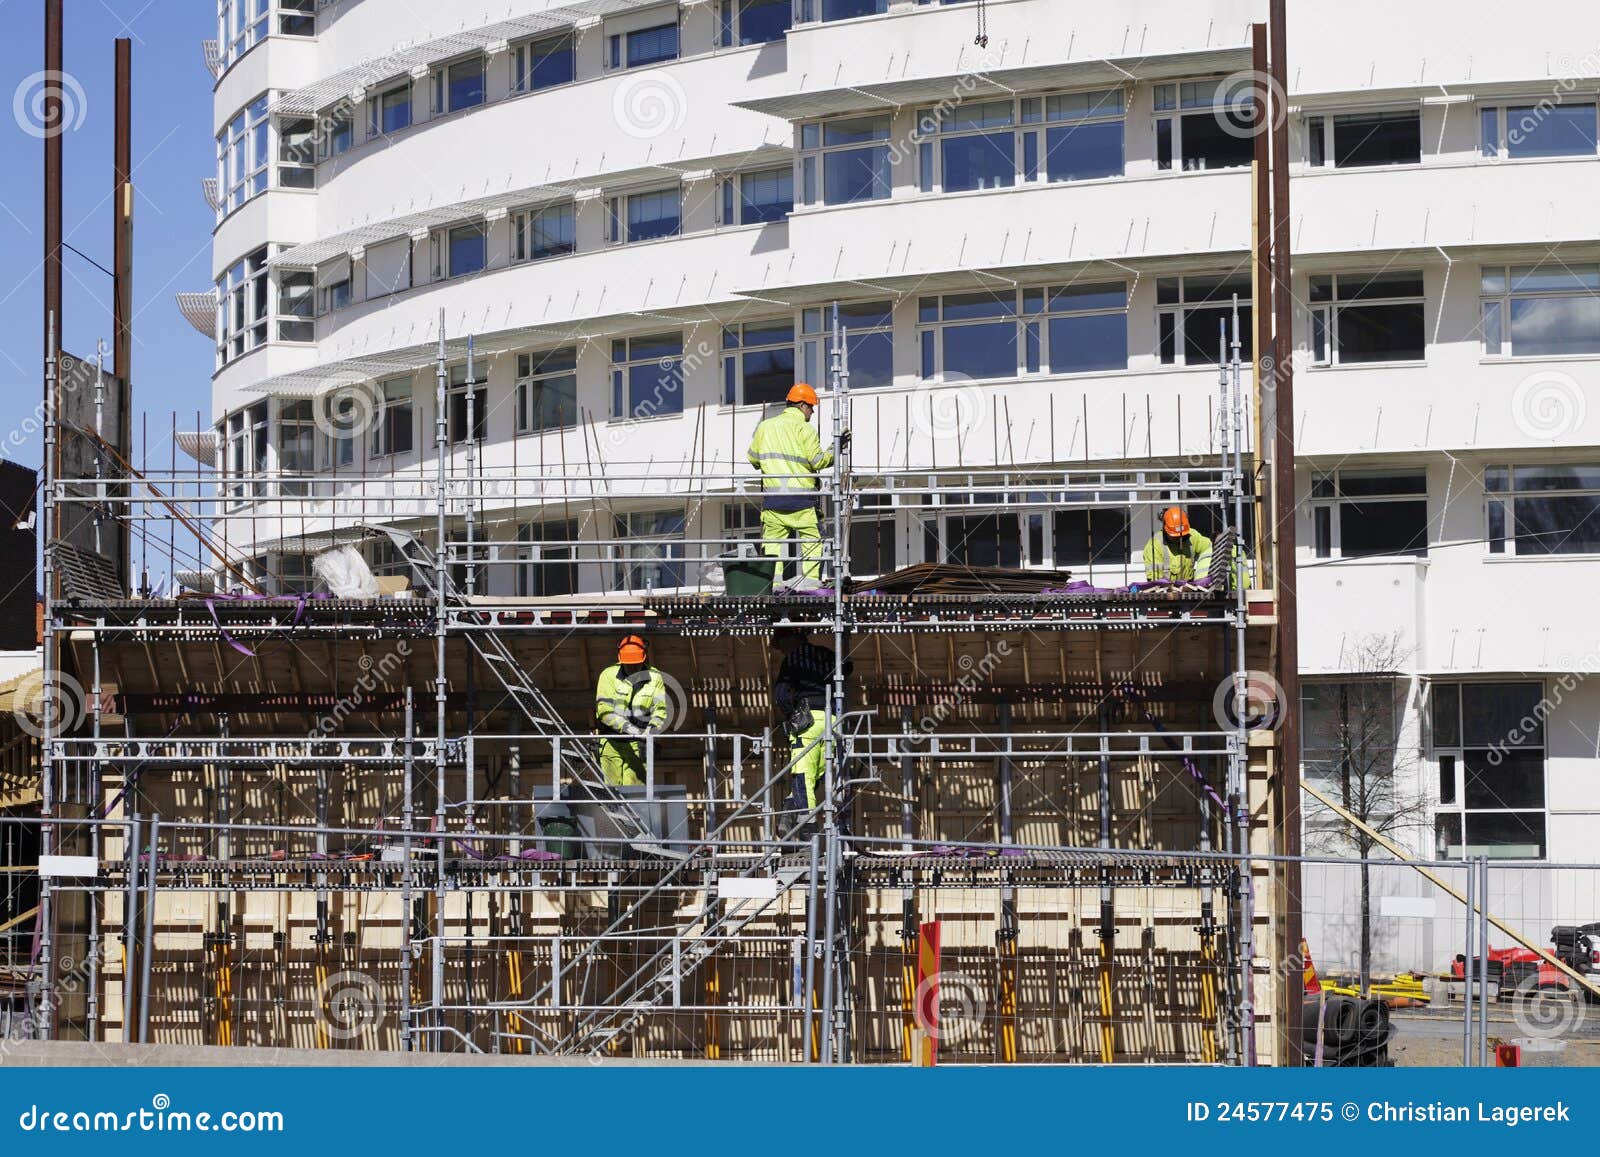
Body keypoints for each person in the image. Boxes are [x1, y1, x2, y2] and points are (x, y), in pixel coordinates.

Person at [747, 383, 850, 589]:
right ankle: (810, 585)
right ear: (802, 405)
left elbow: (753, 458)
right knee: (812, 542)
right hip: (802, 501)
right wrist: (836, 447)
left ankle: (773, 585)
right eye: (811, 407)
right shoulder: (805, 429)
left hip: (774, 501)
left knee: (773, 545)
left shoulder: (765, 427)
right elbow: (818, 461)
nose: (812, 411)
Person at [771, 629, 844, 830]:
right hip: (832, 722)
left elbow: (781, 695)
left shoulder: (791, 660)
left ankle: (808, 834)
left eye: (782, 647)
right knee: (816, 776)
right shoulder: (826, 653)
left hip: (807, 723)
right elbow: (847, 667)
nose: (783, 652)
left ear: (791, 639)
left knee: (803, 777)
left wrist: (792, 715)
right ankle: (788, 810)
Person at [594, 634, 670, 787]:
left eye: (636, 664)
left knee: (635, 792)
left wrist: (652, 729)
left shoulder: (655, 677)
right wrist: (629, 728)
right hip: (611, 743)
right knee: (611, 792)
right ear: (620, 660)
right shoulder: (608, 675)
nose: (633, 668)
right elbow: (604, 711)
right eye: (629, 665)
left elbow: (660, 710)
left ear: (644, 659)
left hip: (638, 744)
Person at [1142, 506, 1214, 583]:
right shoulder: (1154, 546)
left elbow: (1208, 547)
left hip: (1189, 589)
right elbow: (1155, 580)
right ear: (1165, 529)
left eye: (1183, 536)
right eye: (1175, 537)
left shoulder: (1192, 536)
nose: (1180, 539)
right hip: (1166, 592)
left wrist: (1200, 580)